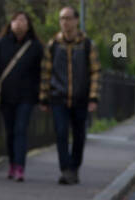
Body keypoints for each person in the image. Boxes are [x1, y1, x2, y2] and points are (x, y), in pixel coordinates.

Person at [40, 7, 99, 184]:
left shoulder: (87, 44)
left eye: (68, 18)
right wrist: (43, 97)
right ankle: (65, 169)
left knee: (79, 135)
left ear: (76, 20)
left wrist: (93, 97)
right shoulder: (53, 45)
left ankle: (74, 168)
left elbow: (95, 72)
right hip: (59, 97)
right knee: (61, 132)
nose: (65, 22)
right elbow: (45, 73)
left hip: (81, 98)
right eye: (62, 19)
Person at [0, 11, 43, 182]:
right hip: (7, 96)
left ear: (28, 24)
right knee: (10, 132)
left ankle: (20, 167)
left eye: (22, 20)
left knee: (20, 130)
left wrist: (41, 94)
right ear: (10, 24)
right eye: (15, 20)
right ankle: (11, 163)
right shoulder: (2, 44)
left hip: (27, 96)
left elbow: (42, 72)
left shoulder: (35, 46)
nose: (18, 23)